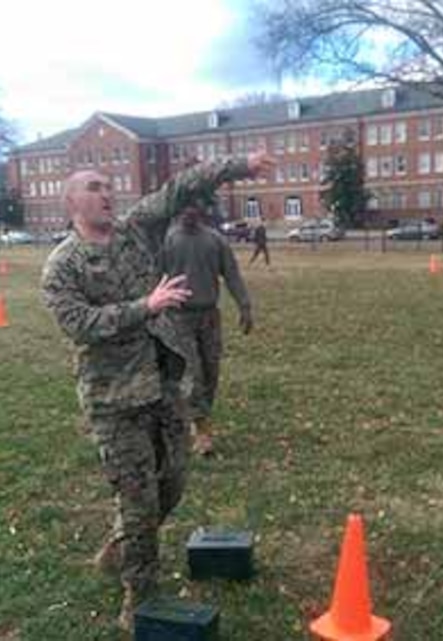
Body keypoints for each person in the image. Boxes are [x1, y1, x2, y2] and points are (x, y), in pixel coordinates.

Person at [41, 152, 275, 631]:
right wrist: (145, 306)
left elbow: (181, 186)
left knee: (173, 484)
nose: (106, 193)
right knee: (139, 500)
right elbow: (80, 325)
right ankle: (139, 601)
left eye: (108, 186)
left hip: (163, 384)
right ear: (71, 204)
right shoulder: (62, 265)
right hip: (114, 399)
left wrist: (239, 166)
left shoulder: (135, 229)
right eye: (93, 187)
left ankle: (121, 545)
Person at [162, 204, 253, 457]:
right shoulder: (167, 240)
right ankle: (201, 431)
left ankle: (198, 418)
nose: (189, 211)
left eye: (194, 205)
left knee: (211, 372)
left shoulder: (215, 240)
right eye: (185, 205)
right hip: (179, 318)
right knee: (192, 374)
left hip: (209, 316)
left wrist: (244, 306)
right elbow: (152, 278)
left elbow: (232, 274)